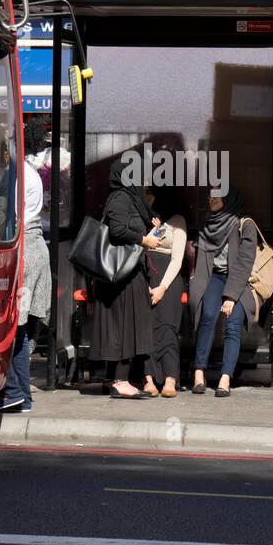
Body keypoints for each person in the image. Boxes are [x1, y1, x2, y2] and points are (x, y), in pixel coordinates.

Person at [0, 117, 52, 412]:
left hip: (23, 250)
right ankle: (21, 394)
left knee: (13, 325)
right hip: (33, 246)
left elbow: (4, 218)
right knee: (19, 326)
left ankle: (13, 391)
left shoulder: (16, 175)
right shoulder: (28, 172)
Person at [91, 158, 163, 398]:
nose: (142, 181)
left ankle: (112, 378)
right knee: (125, 328)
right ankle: (121, 381)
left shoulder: (130, 199)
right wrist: (145, 240)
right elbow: (118, 230)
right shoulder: (121, 198)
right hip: (122, 277)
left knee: (121, 326)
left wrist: (150, 231)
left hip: (128, 274)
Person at [189, 185, 259, 398]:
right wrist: (195, 281)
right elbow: (202, 260)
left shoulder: (244, 224)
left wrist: (230, 296)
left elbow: (245, 263)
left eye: (217, 195)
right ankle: (199, 372)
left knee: (233, 322)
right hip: (214, 277)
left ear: (229, 198)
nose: (212, 199)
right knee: (208, 315)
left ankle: (225, 377)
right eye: (210, 195)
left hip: (239, 280)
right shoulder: (208, 222)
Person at [141, 186, 189, 399]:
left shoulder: (177, 220)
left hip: (168, 279)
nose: (147, 197)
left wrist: (162, 287)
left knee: (168, 325)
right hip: (145, 274)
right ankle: (148, 378)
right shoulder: (145, 218)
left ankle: (171, 377)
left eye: (150, 193)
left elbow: (177, 258)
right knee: (146, 326)